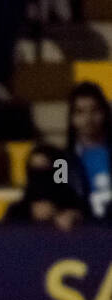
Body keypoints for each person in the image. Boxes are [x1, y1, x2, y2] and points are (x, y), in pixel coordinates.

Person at [66, 81, 112, 223]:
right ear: (72, 118)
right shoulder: (62, 162)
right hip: (85, 238)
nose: (88, 118)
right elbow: (59, 195)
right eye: (80, 112)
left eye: (95, 110)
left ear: (104, 113)